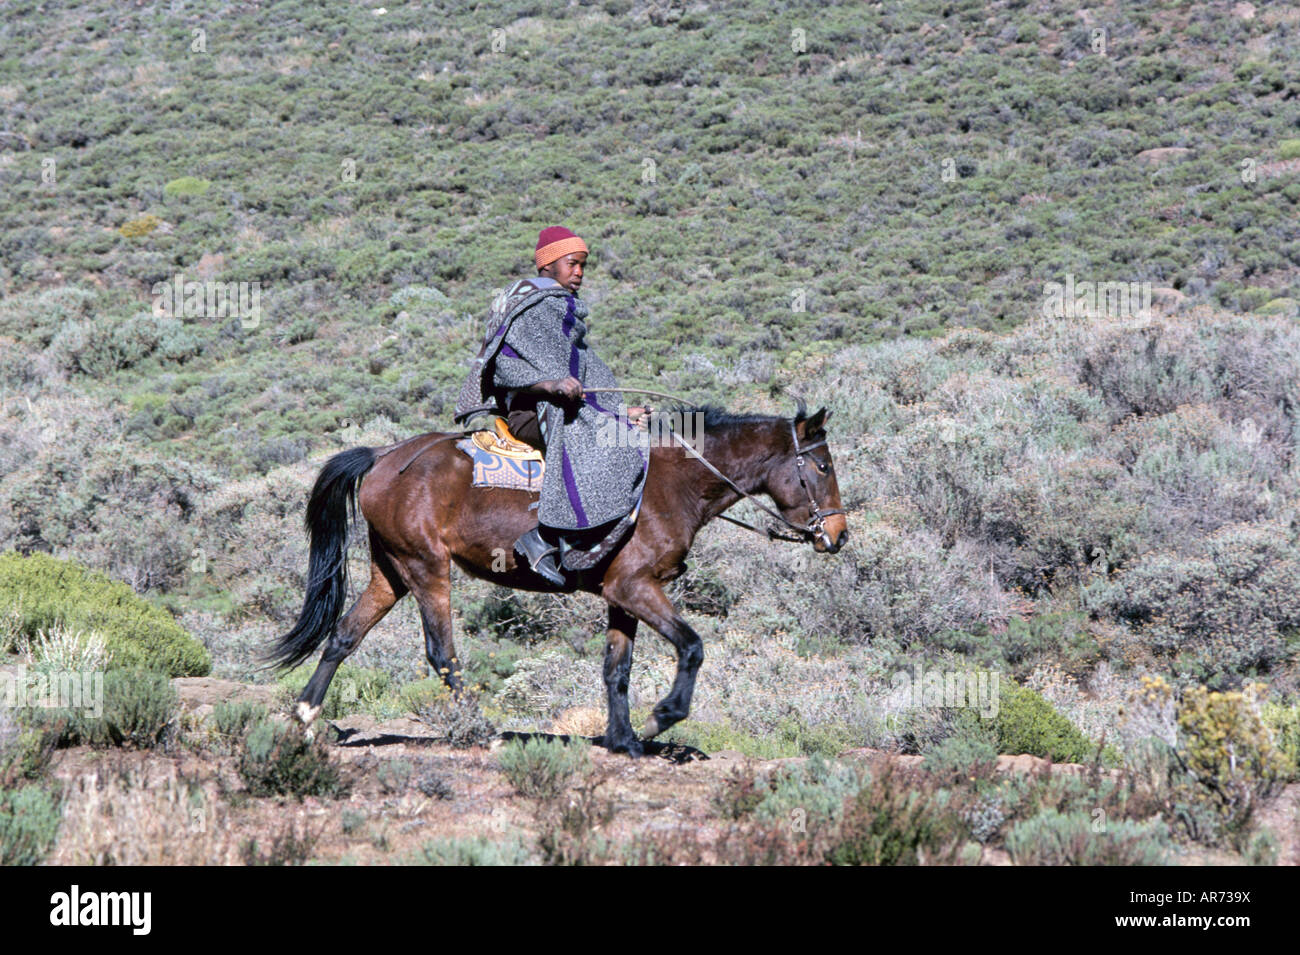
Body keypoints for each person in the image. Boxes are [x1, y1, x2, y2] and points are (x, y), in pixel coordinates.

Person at [453, 227, 648, 585]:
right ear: (548, 264)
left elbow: (581, 374)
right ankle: (544, 538)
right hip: (531, 413)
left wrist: (619, 414)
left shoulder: (561, 308)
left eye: (583, 266)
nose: (579, 273)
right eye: (572, 264)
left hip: (562, 407)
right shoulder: (530, 306)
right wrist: (550, 385)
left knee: (626, 434)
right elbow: (506, 366)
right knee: (605, 447)